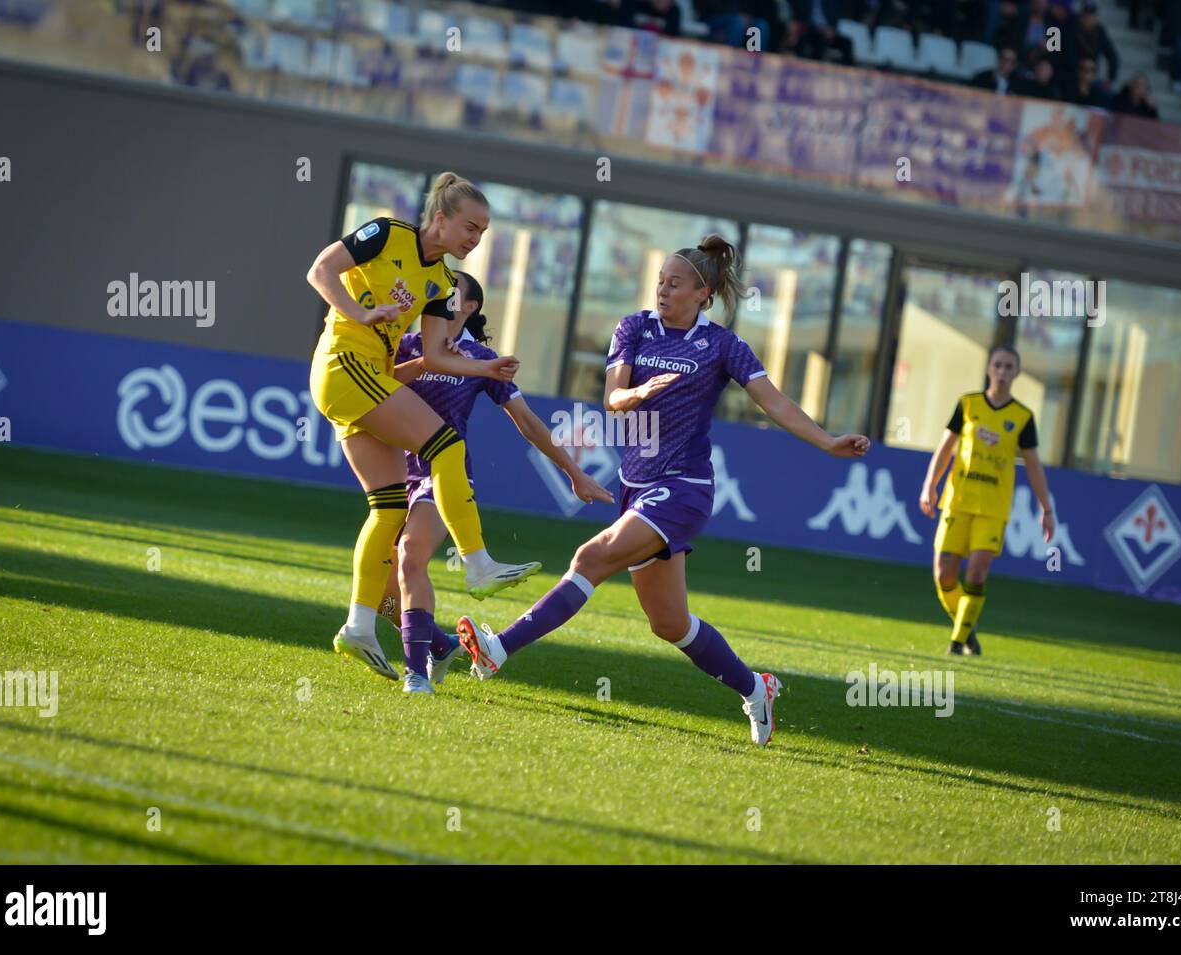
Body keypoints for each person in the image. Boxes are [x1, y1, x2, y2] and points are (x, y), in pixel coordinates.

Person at [454, 235, 871, 746]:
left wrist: (828, 442)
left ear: (704, 293)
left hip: (683, 488)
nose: (663, 290)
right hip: (636, 487)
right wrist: (638, 394)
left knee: (591, 557)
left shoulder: (723, 345)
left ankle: (499, 650)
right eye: (660, 281)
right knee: (669, 622)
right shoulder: (634, 327)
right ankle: (755, 686)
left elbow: (775, 403)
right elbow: (612, 398)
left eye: (675, 284)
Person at [307, 171, 542, 681]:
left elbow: (436, 355)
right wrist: (359, 313)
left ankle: (359, 625)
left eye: (482, 232)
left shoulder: (441, 283)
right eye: (470, 227)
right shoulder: (388, 234)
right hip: (345, 365)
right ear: (440, 217)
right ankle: (477, 562)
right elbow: (320, 270)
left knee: (388, 507)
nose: (475, 240)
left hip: (367, 375)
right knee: (445, 442)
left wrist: (485, 367)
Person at [379, 272, 614, 694]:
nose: (439, 294)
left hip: (444, 472)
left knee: (412, 555)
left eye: (451, 292)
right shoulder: (410, 344)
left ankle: (415, 676)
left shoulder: (481, 358)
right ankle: (441, 646)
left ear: (469, 307)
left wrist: (575, 473)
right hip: (396, 471)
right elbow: (376, 389)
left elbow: (527, 421)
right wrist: (429, 359)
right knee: (383, 594)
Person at [918, 345, 1055, 656]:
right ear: (989, 369)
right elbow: (945, 448)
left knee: (977, 572)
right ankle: (967, 629)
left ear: (1017, 372)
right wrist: (930, 485)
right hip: (958, 499)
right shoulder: (968, 405)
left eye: (1009, 367)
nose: (1003, 372)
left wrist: (1046, 508)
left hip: (993, 507)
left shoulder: (1022, 417)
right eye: (998, 365)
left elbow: (1033, 465)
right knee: (944, 575)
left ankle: (956, 642)